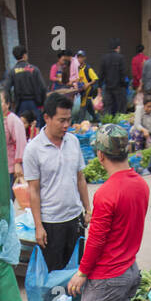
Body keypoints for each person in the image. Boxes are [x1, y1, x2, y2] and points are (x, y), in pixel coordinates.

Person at [65, 125, 148, 301]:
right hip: (130, 269)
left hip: (106, 277)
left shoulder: (107, 192)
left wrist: (81, 273)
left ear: (100, 155)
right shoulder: (141, 185)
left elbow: (97, 241)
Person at [24, 92, 90, 272]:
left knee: (77, 273)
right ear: (47, 118)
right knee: (54, 276)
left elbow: (80, 179)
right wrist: (39, 226)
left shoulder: (73, 141)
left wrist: (88, 209)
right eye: (61, 120)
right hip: (51, 223)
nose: (66, 125)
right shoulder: (33, 149)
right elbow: (34, 191)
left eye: (68, 119)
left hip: (75, 220)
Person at [4, 46, 48, 128]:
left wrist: (10, 105)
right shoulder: (34, 69)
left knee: (21, 128)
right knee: (36, 128)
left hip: (20, 105)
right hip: (34, 104)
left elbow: (6, 89)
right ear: (25, 55)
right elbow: (43, 88)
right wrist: (43, 105)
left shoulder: (12, 71)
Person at [2, 91, 27, 188]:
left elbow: (21, 142)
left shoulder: (13, 120)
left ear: (8, 104)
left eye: (1, 101)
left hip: (11, 169)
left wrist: (18, 163)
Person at [100, 41, 128, 117]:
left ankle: (107, 125)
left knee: (108, 109)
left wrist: (100, 86)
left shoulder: (104, 58)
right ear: (118, 48)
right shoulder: (121, 58)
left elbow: (101, 74)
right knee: (120, 110)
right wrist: (124, 85)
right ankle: (119, 125)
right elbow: (123, 73)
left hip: (108, 88)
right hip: (119, 88)